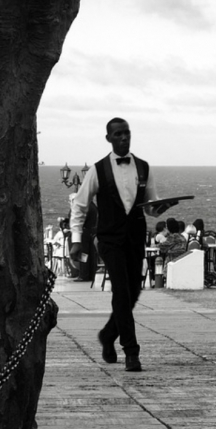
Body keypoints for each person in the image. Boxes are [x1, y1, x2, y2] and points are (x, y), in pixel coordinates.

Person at [70, 118, 173, 372]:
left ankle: (108, 334)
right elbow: (80, 206)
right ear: (109, 138)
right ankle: (131, 351)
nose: (123, 138)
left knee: (133, 292)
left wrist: (159, 209)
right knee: (122, 292)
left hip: (135, 238)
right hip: (109, 239)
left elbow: (150, 206)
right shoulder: (98, 170)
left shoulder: (144, 168)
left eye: (126, 133)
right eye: (118, 134)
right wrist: (75, 240)